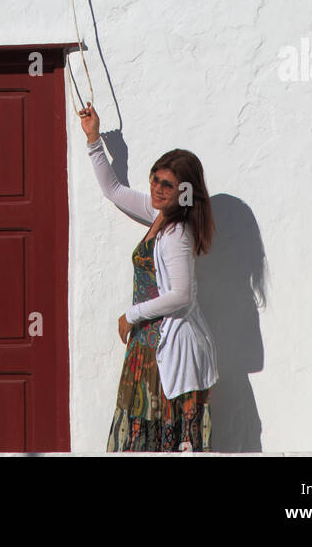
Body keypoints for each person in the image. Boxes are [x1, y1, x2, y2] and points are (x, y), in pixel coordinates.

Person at [79, 103, 219, 452]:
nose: (157, 189)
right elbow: (113, 191)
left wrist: (132, 314)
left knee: (164, 441)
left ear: (184, 191)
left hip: (165, 348)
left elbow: (182, 295)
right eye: (155, 179)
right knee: (144, 440)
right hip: (147, 347)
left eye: (167, 185)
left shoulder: (177, 234)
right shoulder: (158, 215)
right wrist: (95, 140)